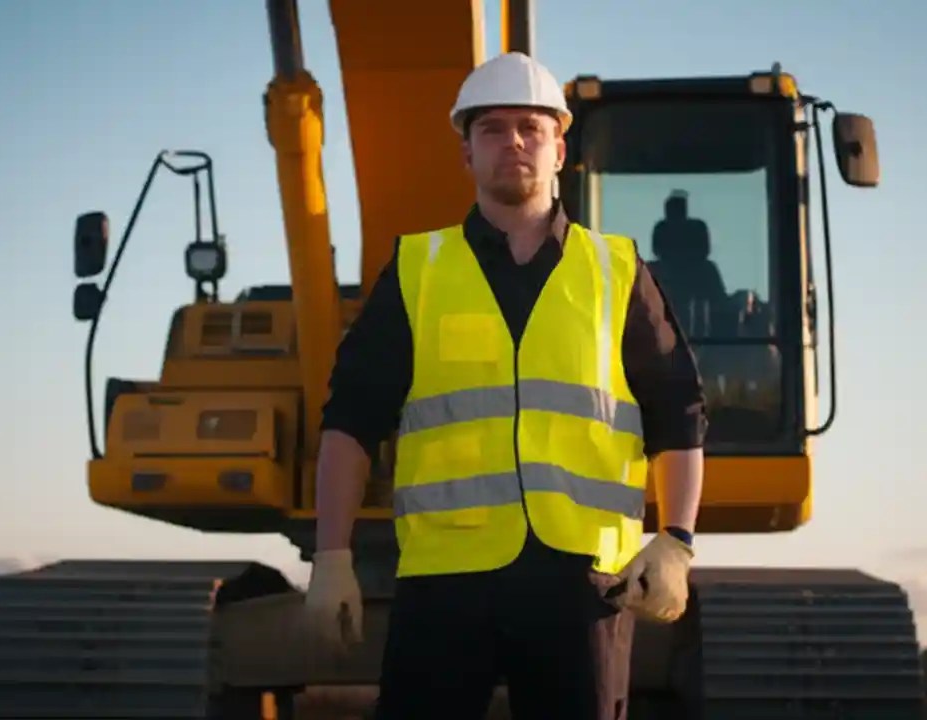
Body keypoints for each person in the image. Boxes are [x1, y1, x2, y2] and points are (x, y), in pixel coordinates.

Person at [303, 51, 707, 720]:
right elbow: (349, 421)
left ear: (558, 147)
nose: (513, 142)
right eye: (492, 128)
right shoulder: (416, 270)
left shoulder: (618, 271)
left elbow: (679, 411)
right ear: (465, 153)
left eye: (530, 127)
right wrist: (331, 557)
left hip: (582, 583)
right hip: (444, 581)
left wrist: (677, 542)